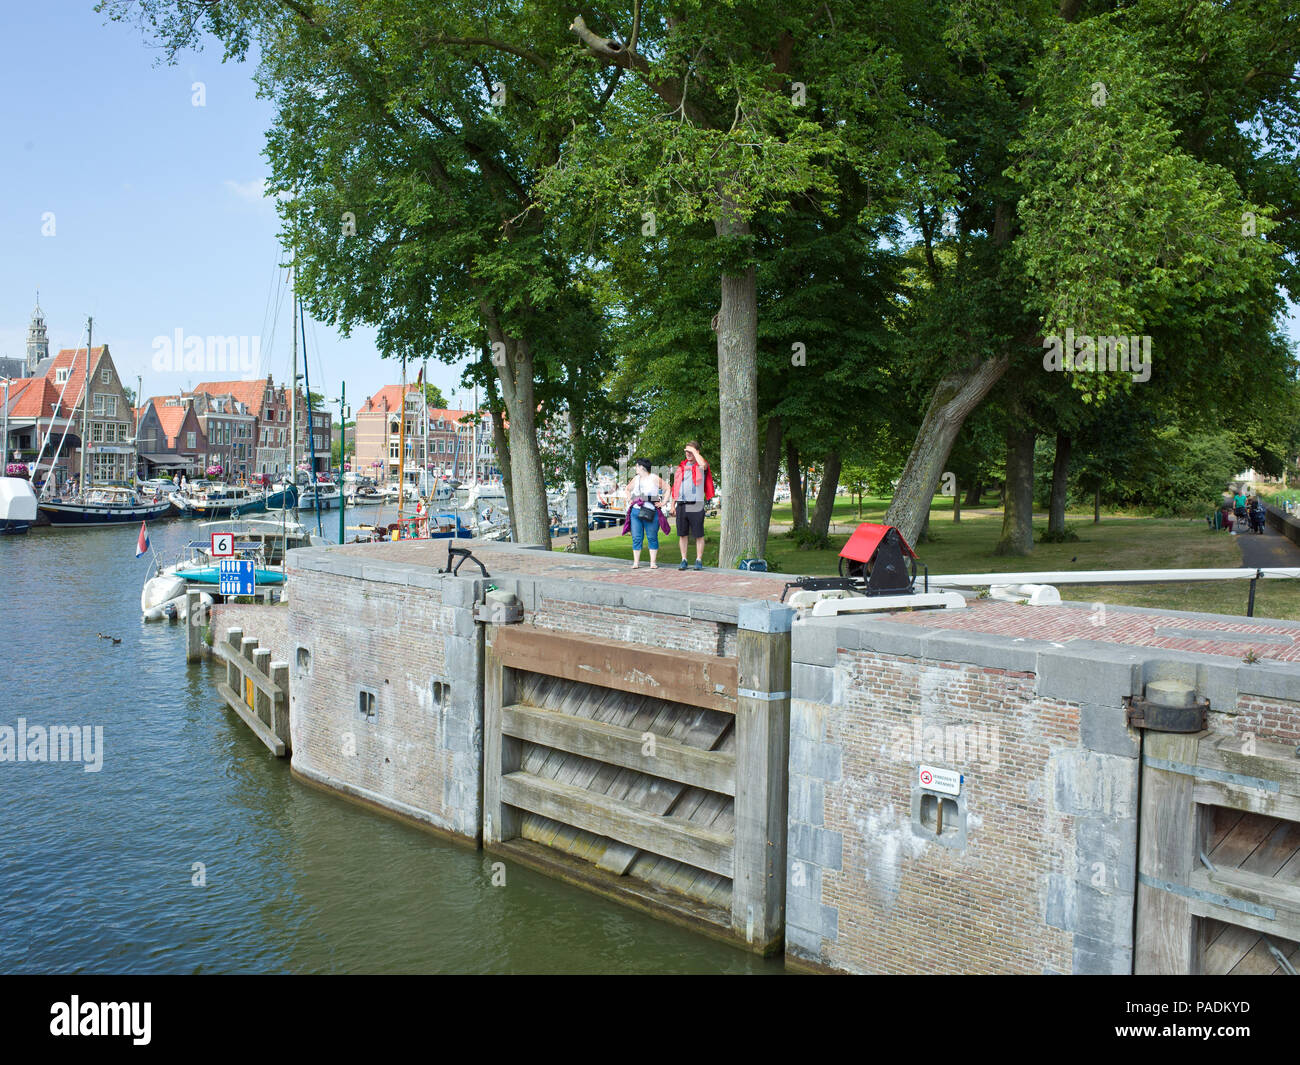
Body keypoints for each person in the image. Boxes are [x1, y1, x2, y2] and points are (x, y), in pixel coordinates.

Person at [672, 441, 715, 570]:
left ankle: (698, 560)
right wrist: (673, 505)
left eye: (690, 451)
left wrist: (694, 452)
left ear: (696, 452)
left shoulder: (700, 465)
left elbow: (703, 464)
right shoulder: (681, 467)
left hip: (696, 504)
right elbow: (676, 486)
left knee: (698, 534)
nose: (688, 453)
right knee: (682, 534)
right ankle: (684, 559)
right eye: (686, 451)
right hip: (681, 504)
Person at [621, 458, 670, 568]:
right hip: (636, 511)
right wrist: (629, 500)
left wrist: (663, 502)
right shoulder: (636, 479)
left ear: (641, 467)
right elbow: (627, 489)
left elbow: (667, 488)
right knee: (636, 537)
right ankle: (636, 562)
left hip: (650, 511)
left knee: (652, 536)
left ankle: (653, 563)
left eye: (637, 466)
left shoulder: (654, 478)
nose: (635, 468)